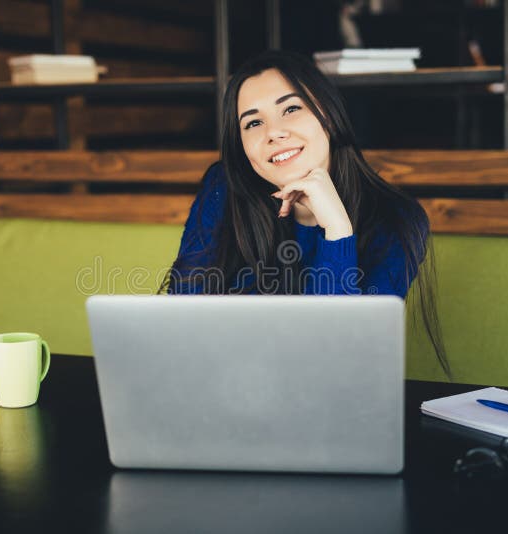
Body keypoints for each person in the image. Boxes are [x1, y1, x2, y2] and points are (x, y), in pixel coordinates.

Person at [161, 50, 449, 376]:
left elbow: (337, 364)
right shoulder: (225, 187)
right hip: (228, 391)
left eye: (291, 109)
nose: (273, 132)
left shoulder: (397, 219)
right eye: (253, 122)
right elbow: (180, 320)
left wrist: (337, 230)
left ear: (327, 114)